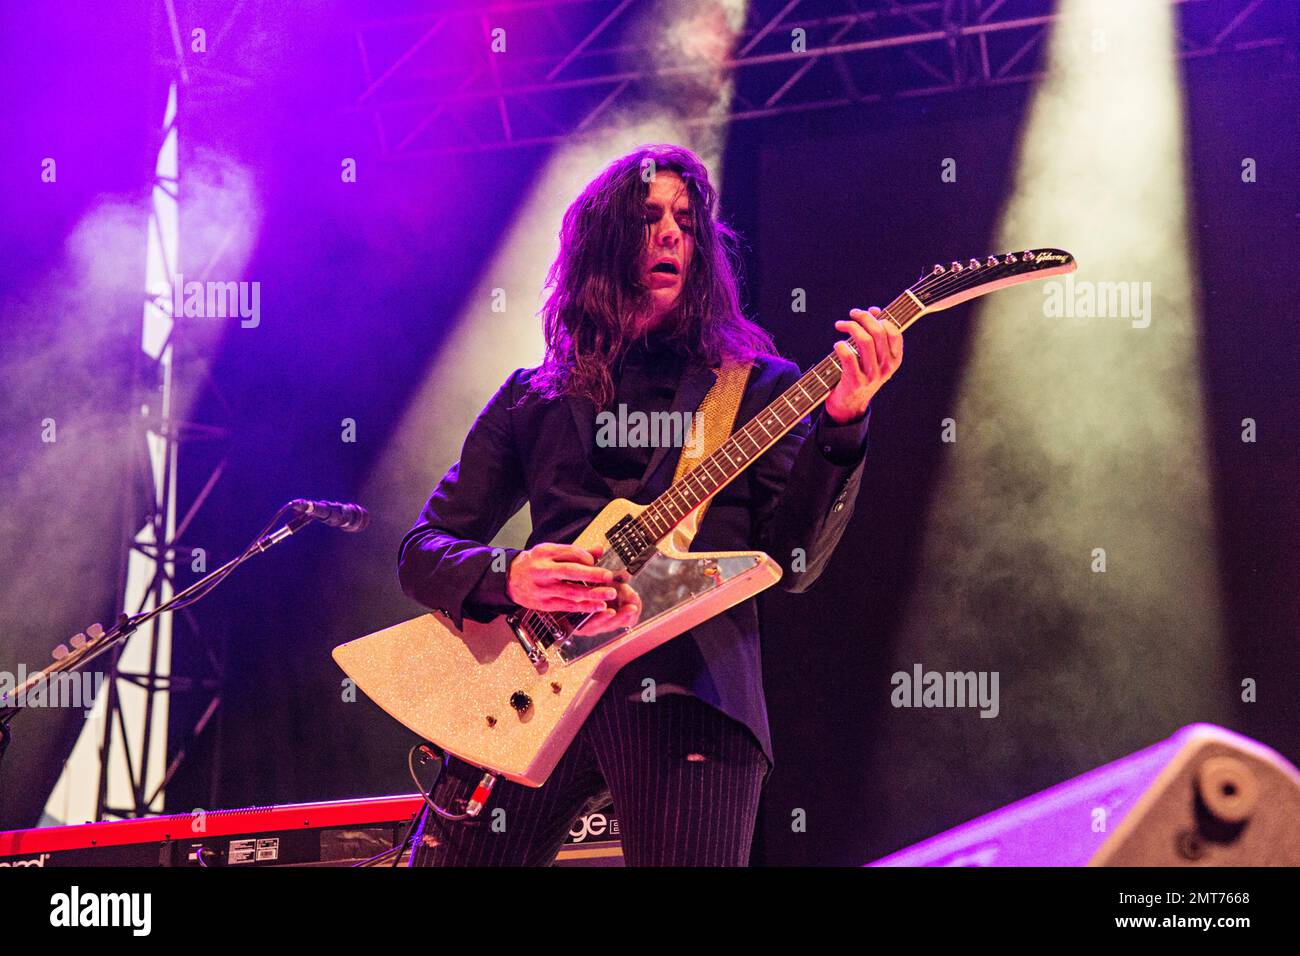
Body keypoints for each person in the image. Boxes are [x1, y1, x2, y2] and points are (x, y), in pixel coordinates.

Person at [398, 144, 902, 866]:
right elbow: (422, 551)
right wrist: (510, 575)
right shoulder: (531, 396)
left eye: (687, 222)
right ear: (601, 241)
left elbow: (794, 564)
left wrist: (844, 426)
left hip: (689, 693)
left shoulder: (757, 388)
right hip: (527, 691)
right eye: (647, 218)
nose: (670, 233)